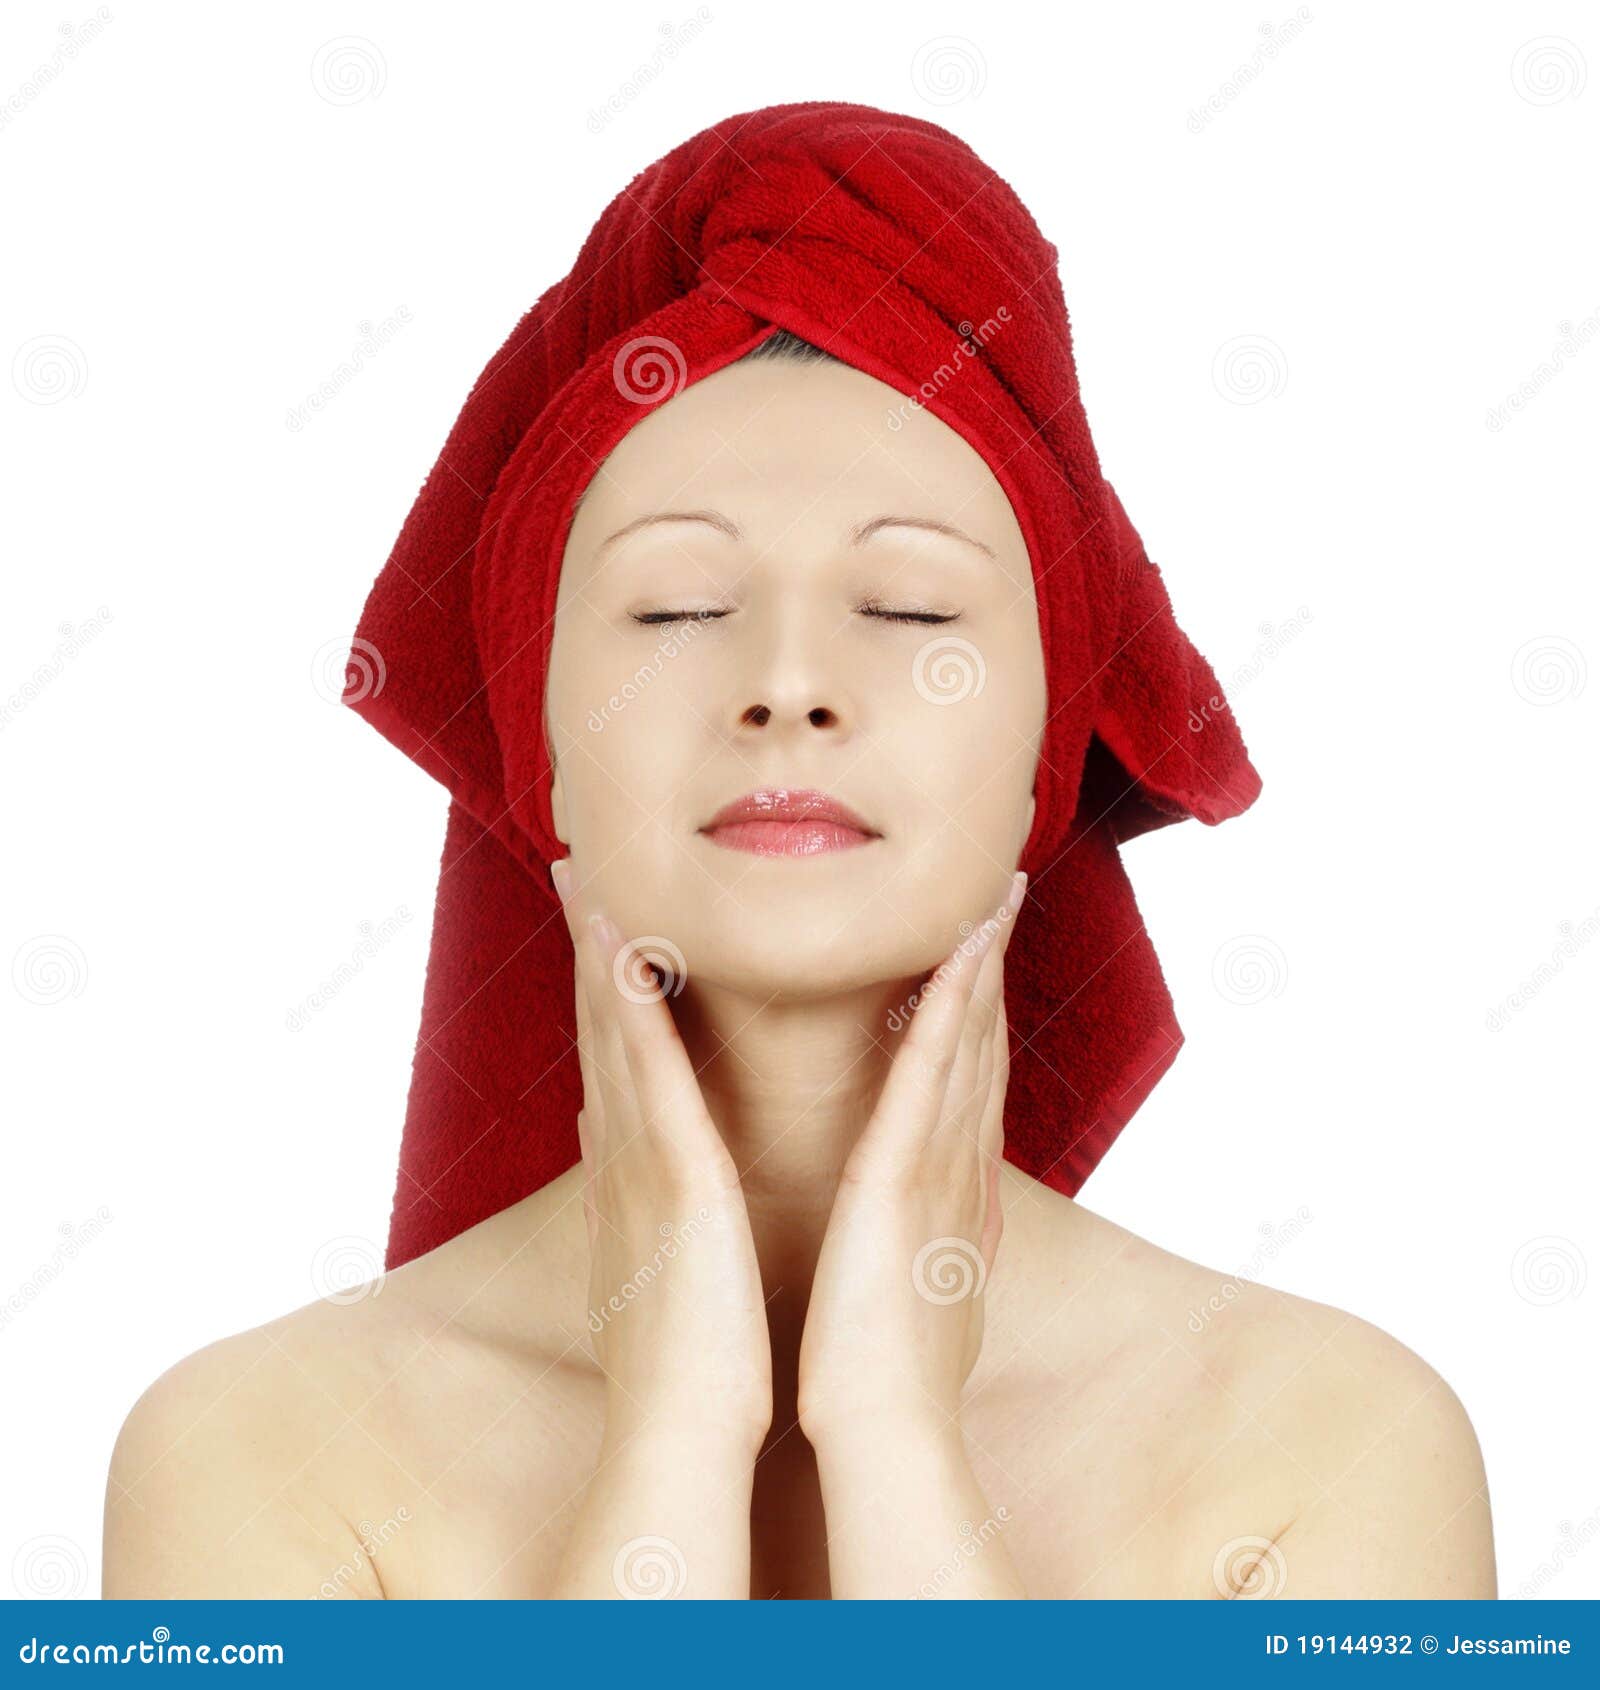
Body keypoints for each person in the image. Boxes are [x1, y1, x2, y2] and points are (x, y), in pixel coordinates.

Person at [103, 330, 1495, 1601]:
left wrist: (895, 1434)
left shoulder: (1337, 1444)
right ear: (546, 769)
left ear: (1040, 769)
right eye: (677, 607)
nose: (786, 679)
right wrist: (673, 1432)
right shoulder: (253, 1450)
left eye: (904, 607)